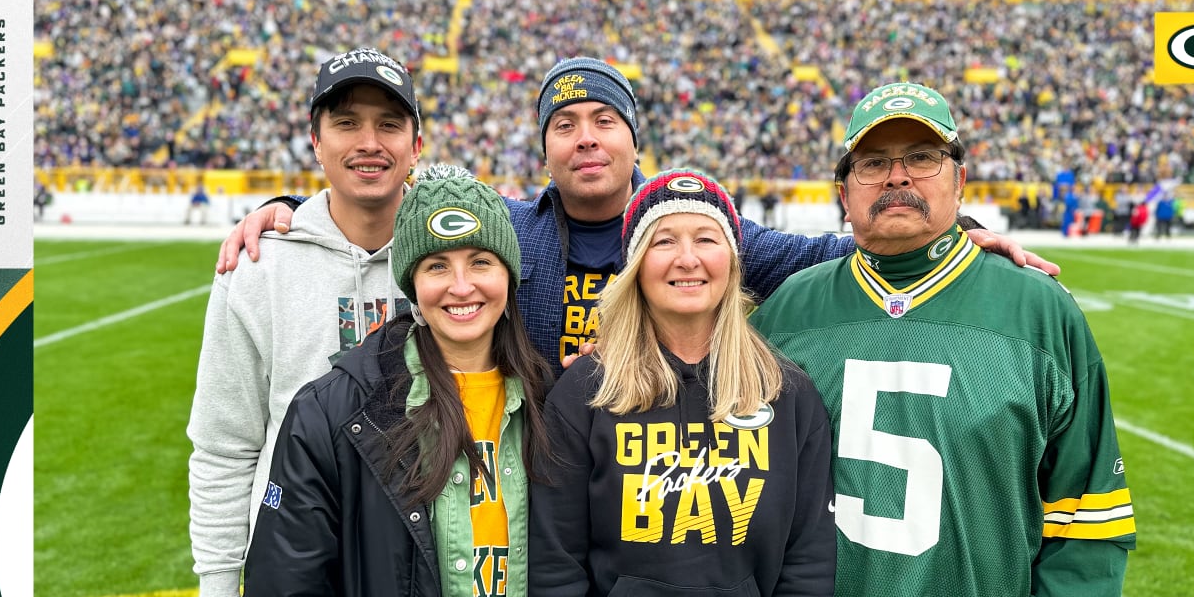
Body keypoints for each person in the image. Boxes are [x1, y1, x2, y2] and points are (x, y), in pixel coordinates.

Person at [217, 56, 1060, 376]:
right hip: (544, 485)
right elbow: (406, 216)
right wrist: (290, 208)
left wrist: (958, 235)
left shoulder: (688, 230)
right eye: (564, 125)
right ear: (544, 149)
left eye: (604, 121)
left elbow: (835, 251)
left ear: (632, 138)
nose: (586, 140)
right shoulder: (510, 232)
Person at [750, 82, 1135, 597]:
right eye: (873, 163)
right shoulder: (787, 311)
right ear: (843, 193)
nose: (897, 178)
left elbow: (1092, 509)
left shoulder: (1039, 311)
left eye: (922, 158)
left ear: (959, 180)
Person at [236, 164, 552, 597]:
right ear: (411, 282)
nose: (460, 286)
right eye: (435, 266)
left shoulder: (551, 403)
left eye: (480, 261)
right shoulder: (335, 414)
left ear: (509, 274)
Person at [530, 169, 835, 597]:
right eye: (664, 240)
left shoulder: (788, 395)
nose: (687, 259)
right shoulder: (584, 394)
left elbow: (806, 569)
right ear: (635, 265)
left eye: (706, 239)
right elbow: (555, 567)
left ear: (733, 262)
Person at [187, 46, 423, 597]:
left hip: (426, 576)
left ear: (417, 143)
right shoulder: (260, 267)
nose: (369, 142)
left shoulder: (456, 260)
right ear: (314, 140)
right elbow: (224, 446)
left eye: (388, 124)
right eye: (346, 123)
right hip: (292, 573)